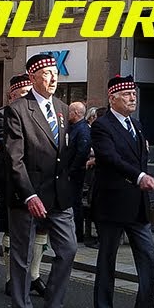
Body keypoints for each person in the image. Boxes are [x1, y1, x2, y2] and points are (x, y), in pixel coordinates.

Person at [3, 53, 80, 308]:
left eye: (55, 73)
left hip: (58, 195)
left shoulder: (62, 108)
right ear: (32, 77)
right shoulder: (18, 109)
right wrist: (29, 195)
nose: (53, 78)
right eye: (46, 73)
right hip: (28, 195)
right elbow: (14, 159)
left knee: (68, 249)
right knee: (22, 258)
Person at [90, 75, 154, 308]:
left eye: (134, 94)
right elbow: (110, 158)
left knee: (147, 254)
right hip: (112, 202)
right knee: (108, 257)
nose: (133, 98)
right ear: (112, 99)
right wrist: (140, 176)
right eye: (126, 95)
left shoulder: (137, 125)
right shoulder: (102, 126)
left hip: (138, 203)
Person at [0, 75, 48, 295]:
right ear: (11, 96)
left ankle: (35, 276)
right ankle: (11, 278)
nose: (27, 97)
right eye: (22, 93)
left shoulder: (42, 113)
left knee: (41, 228)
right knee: (11, 228)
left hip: (39, 179)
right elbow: (9, 146)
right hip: (10, 178)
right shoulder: (3, 114)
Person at [66, 101, 91, 244]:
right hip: (71, 171)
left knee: (75, 202)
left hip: (76, 174)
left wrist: (72, 170)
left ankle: (77, 233)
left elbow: (82, 152)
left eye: (69, 111)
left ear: (75, 113)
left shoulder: (82, 129)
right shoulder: (73, 128)